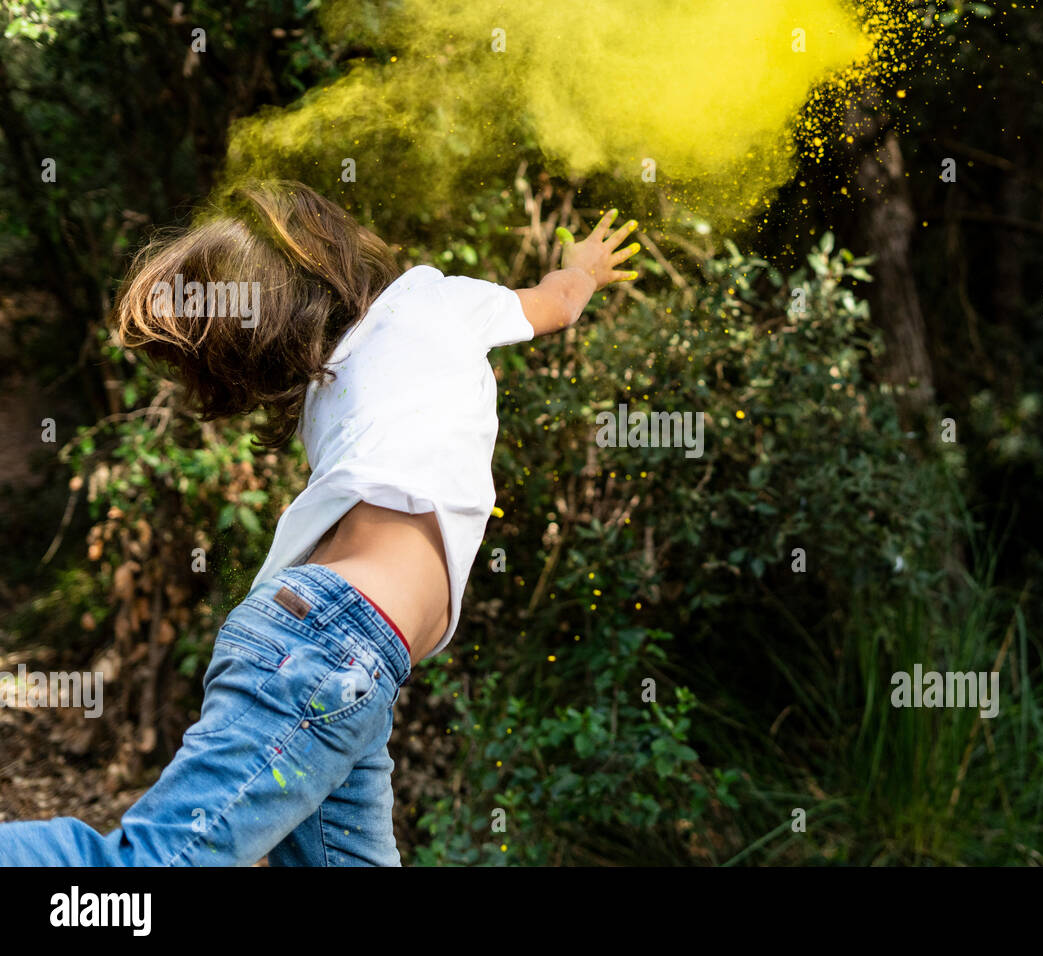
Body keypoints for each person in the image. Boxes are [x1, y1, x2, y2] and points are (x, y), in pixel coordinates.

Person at [0, 180, 639, 865]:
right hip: (332, 648)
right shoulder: (431, 299)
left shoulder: (325, 388)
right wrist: (583, 268)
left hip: (336, 658)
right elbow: (559, 304)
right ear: (336, 251)